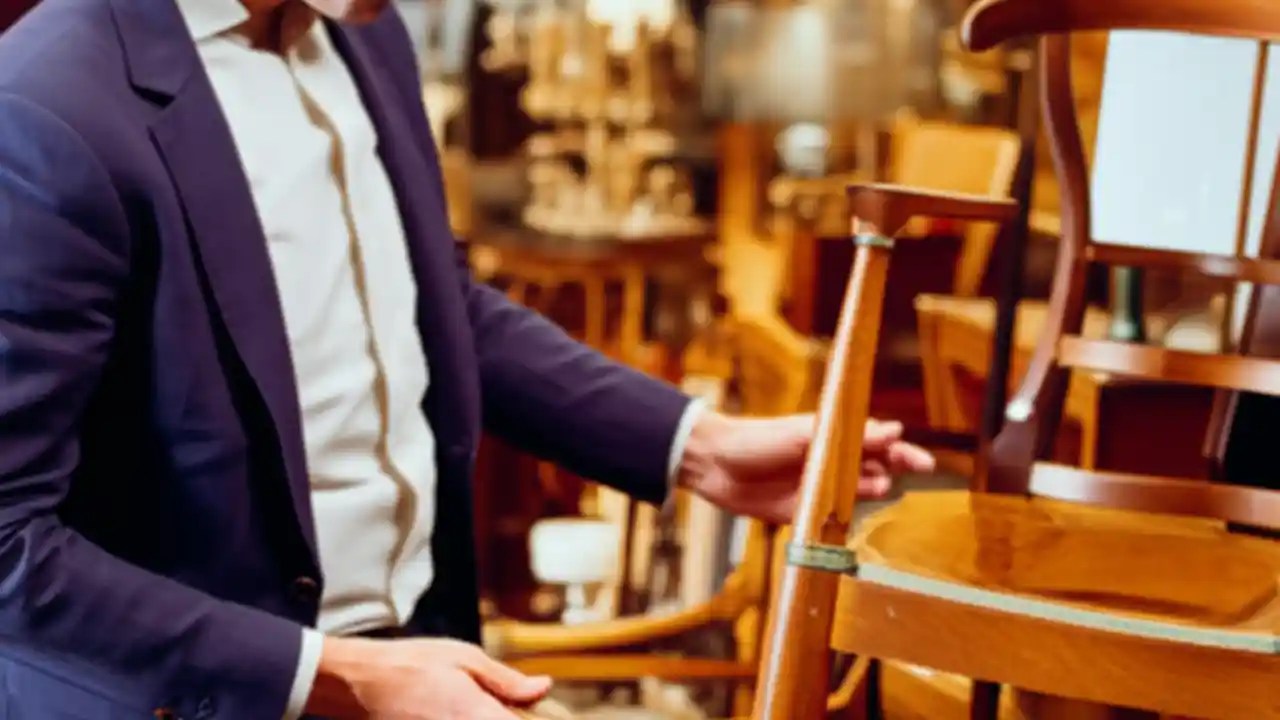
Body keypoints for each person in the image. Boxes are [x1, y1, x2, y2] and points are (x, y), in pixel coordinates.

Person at [0, 0, 934, 717]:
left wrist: (695, 446)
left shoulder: (364, 34)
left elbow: (436, 307)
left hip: (426, 661)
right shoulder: (45, 109)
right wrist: (342, 675)